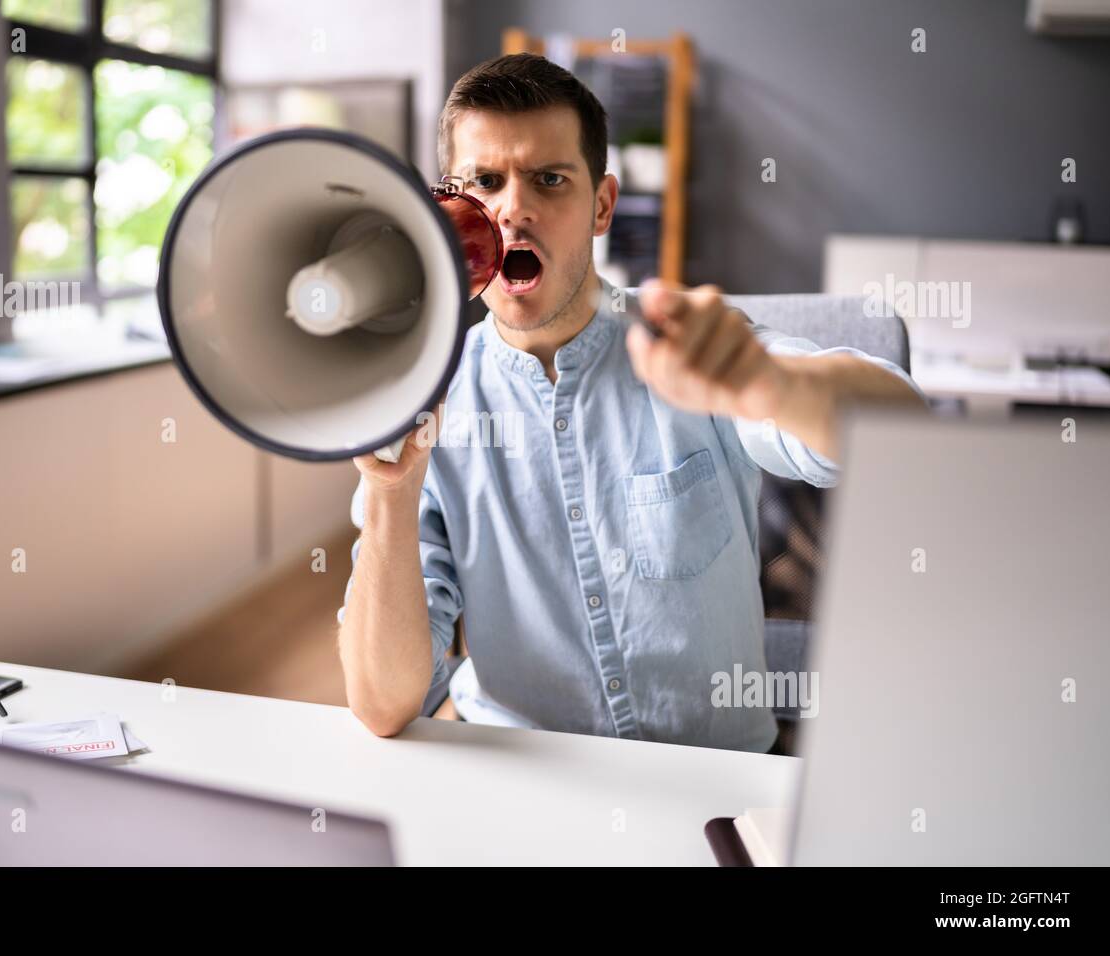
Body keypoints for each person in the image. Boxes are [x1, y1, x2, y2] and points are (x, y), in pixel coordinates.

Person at [336, 53, 926, 751]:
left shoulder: (696, 349)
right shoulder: (431, 395)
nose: (513, 209)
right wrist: (391, 494)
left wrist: (771, 384)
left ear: (602, 206)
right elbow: (384, 704)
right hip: (525, 775)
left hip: (712, 774)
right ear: (449, 210)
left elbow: (903, 436)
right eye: (486, 182)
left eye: (549, 180)